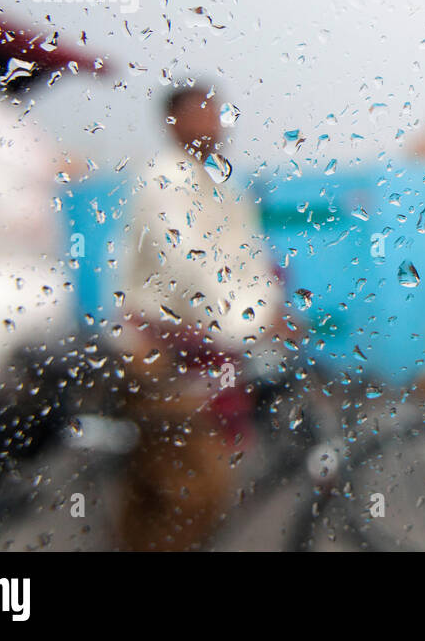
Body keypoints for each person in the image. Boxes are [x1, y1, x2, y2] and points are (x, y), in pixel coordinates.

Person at [116, 83, 283, 550]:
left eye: (216, 112)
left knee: (172, 484)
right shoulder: (163, 179)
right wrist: (251, 321)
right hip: (162, 351)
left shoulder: (221, 183)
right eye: (200, 114)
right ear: (173, 122)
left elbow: (249, 254)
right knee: (192, 487)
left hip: (208, 344)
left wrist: (271, 307)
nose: (212, 123)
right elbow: (190, 265)